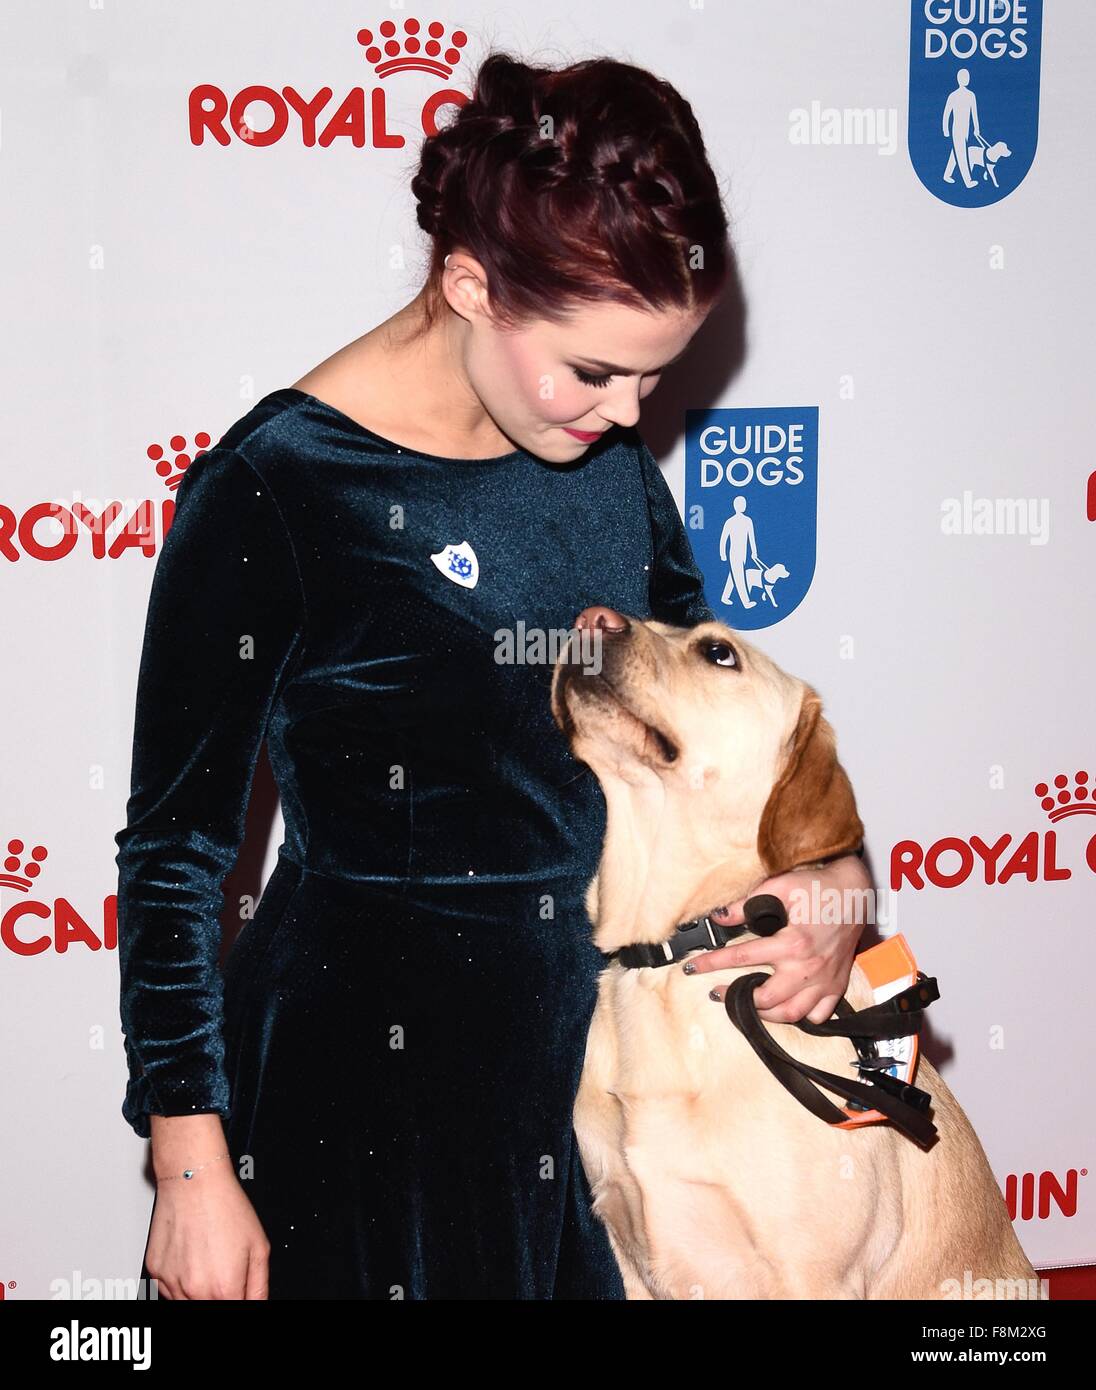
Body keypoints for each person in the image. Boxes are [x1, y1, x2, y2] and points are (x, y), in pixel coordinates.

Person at [115, 50, 872, 1301]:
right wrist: (190, 1164)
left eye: (655, 376)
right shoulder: (277, 487)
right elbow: (179, 851)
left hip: (599, 1072)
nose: (631, 416)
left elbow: (705, 707)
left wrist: (828, 872)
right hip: (363, 1092)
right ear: (470, 285)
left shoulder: (595, 454)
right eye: (593, 370)